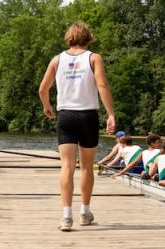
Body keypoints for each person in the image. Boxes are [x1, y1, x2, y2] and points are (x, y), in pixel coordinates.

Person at [38, 21, 116, 232]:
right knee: (87, 167)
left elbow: (42, 89)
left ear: (69, 37)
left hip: (66, 116)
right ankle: (84, 212)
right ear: (88, 37)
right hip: (88, 116)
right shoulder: (93, 58)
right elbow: (102, 85)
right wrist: (110, 114)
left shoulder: (57, 60)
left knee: (67, 166)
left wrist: (47, 106)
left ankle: (66, 217)